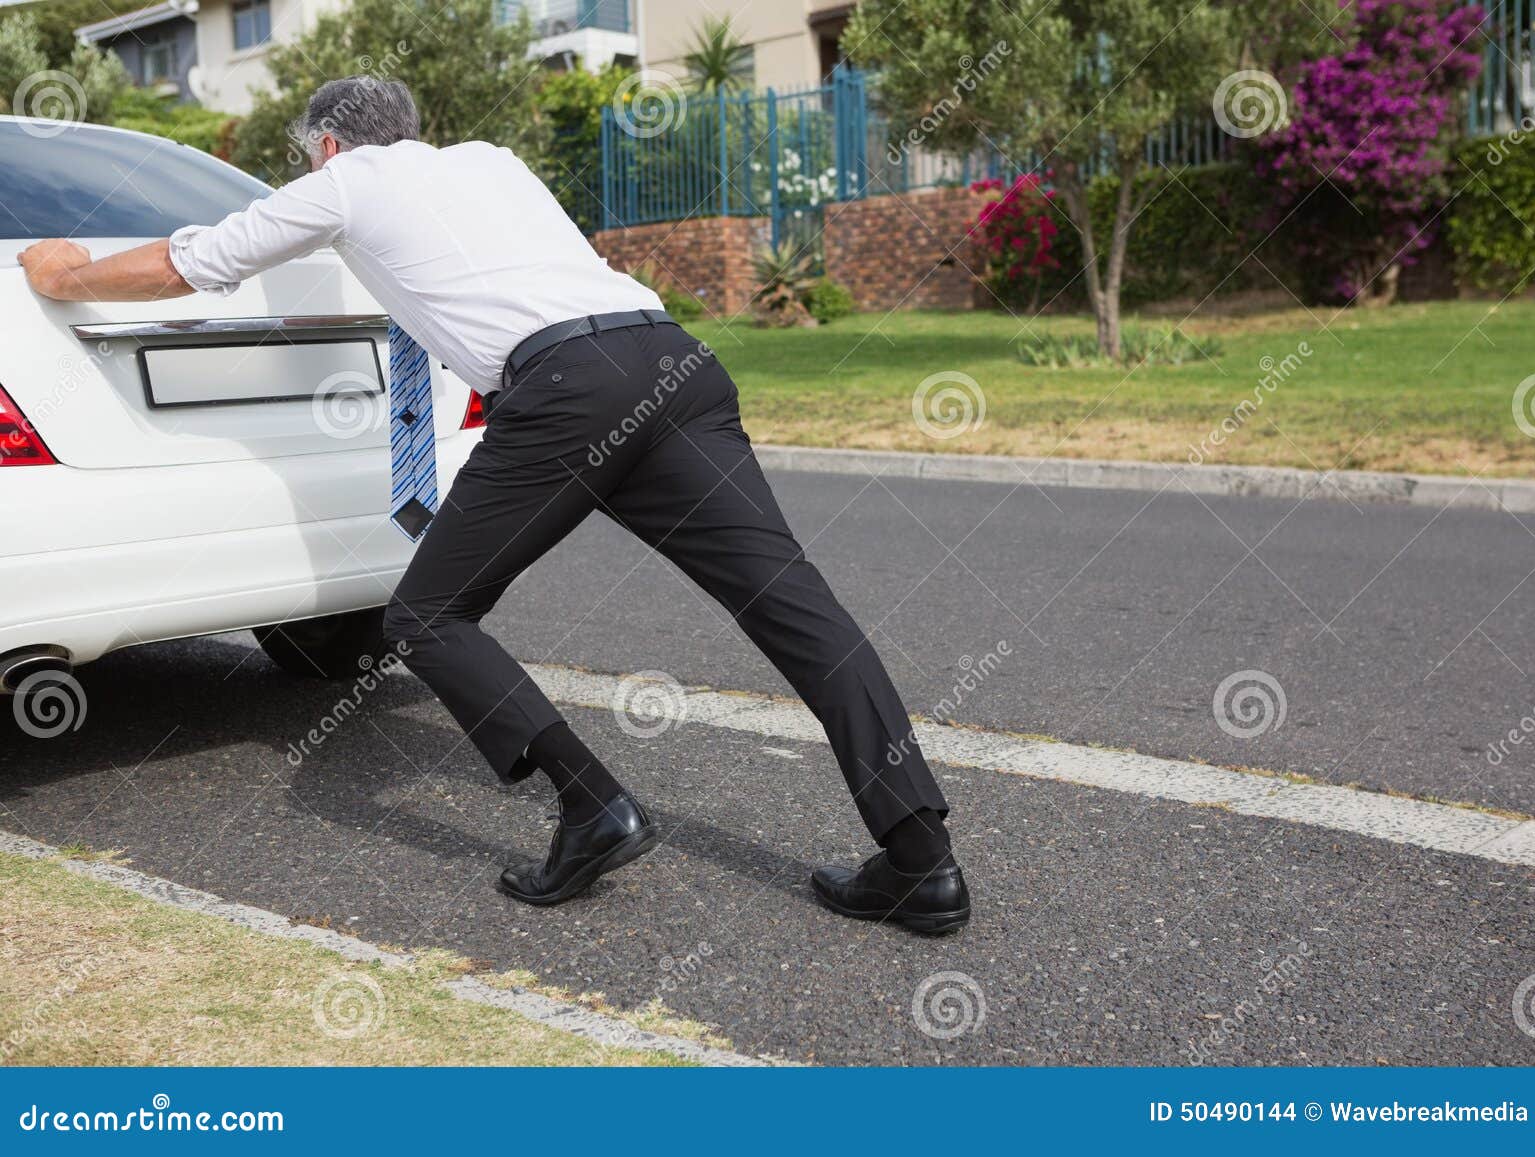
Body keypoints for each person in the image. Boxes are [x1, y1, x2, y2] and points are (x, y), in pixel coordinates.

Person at [17, 77, 970, 934]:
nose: (307, 173)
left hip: (565, 388)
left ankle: (595, 807)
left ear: (330, 148)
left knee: (427, 614)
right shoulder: (493, 162)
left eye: (307, 158)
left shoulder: (346, 182)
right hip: (672, 362)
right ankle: (923, 861)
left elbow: (196, 262)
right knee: (796, 608)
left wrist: (65, 277)